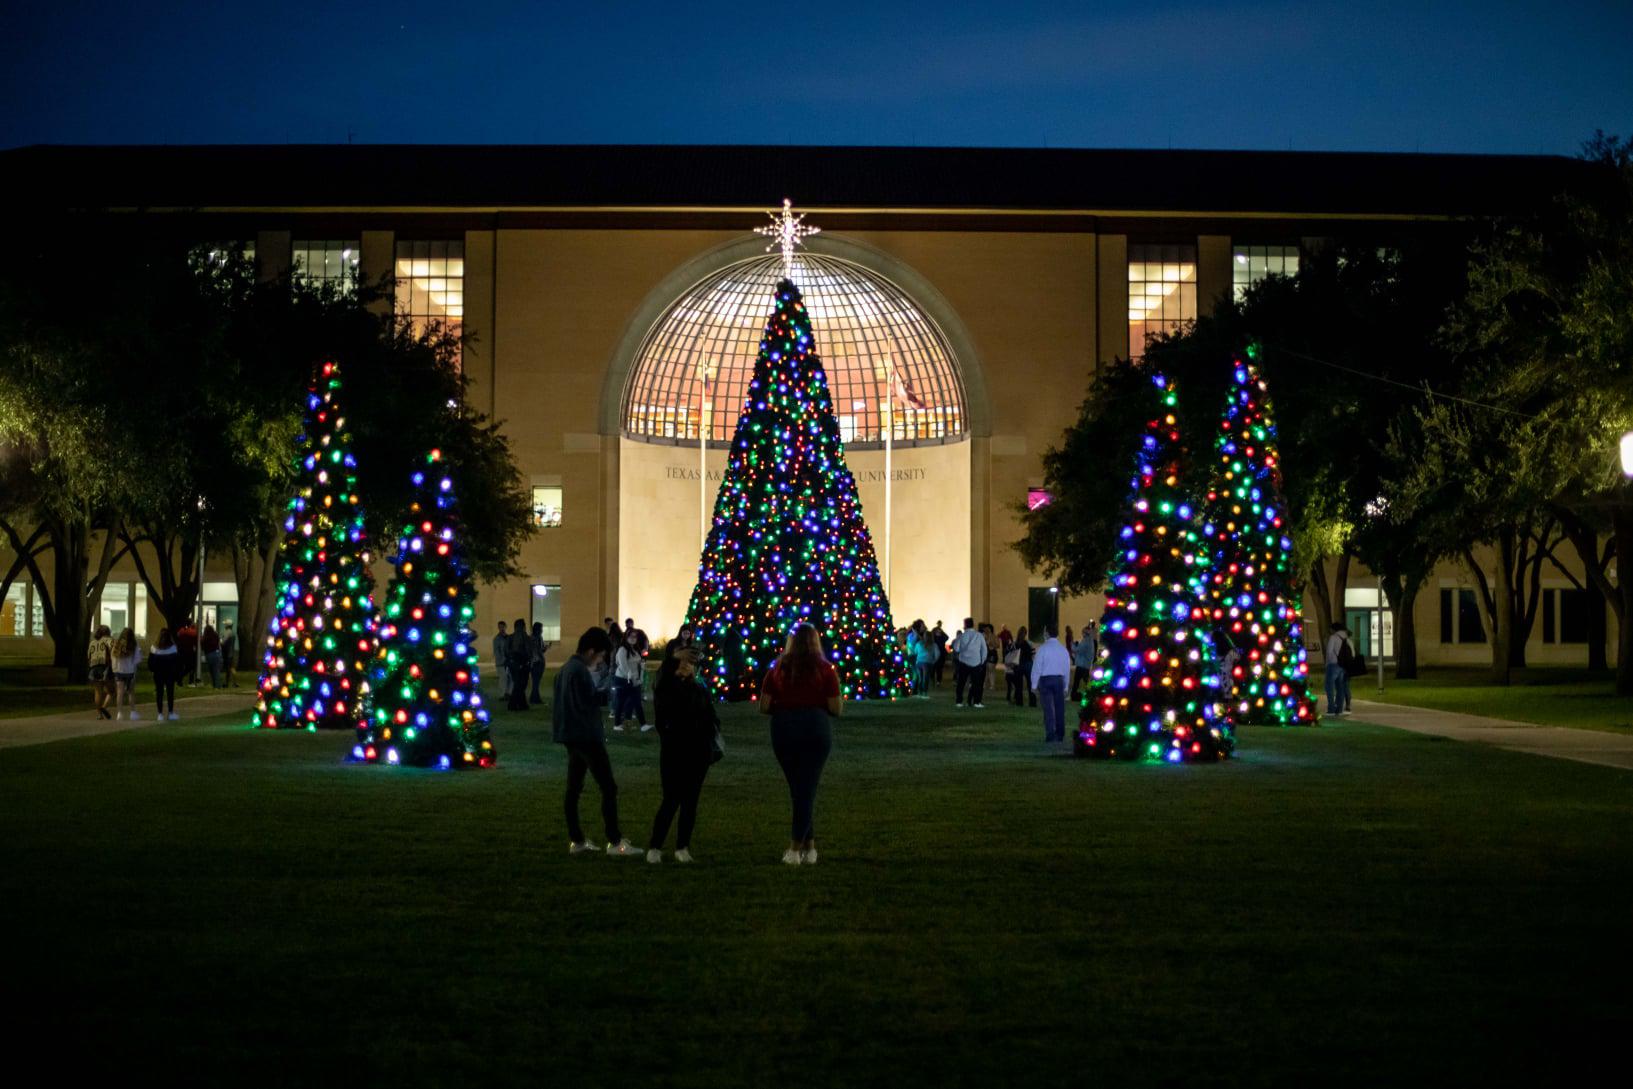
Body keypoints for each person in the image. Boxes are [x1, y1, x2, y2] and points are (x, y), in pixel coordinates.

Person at [553, 626, 641, 856]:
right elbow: (589, 700)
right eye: (601, 655)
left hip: (571, 736)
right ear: (592, 651)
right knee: (608, 787)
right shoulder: (579, 671)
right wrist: (607, 692)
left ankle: (578, 840)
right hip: (586, 737)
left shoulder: (565, 669)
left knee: (573, 789)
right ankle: (614, 841)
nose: (601, 660)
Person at [760, 622, 841, 865]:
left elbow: (764, 706)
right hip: (816, 728)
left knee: (799, 789)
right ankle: (802, 849)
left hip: (784, 728)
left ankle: (804, 849)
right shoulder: (826, 670)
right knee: (807, 789)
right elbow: (836, 708)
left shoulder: (778, 669)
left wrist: (786, 705)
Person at [646, 649, 718, 863]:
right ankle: (655, 847)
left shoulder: (699, 690)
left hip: (698, 752)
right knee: (671, 799)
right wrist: (674, 659)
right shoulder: (666, 689)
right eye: (683, 663)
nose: (687, 666)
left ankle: (682, 846)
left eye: (690, 663)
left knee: (690, 801)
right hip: (674, 751)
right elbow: (663, 683)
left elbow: (711, 717)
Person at [1031, 625, 1071, 745]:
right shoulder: (1063, 650)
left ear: (1047, 633)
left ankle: (1050, 734)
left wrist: (1034, 685)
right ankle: (1060, 733)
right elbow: (1066, 669)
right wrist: (1066, 686)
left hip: (1045, 680)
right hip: (1059, 680)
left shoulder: (1042, 649)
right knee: (1060, 708)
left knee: (1048, 709)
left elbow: (1037, 667)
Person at [612, 628, 648, 732]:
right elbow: (623, 666)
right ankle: (617, 724)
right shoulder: (622, 649)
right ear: (626, 637)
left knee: (635, 701)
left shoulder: (634, 649)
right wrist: (632, 678)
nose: (633, 638)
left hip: (633, 679)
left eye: (635, 637)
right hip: (623, 679)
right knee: (621, 702)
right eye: (631, 636)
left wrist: (641, 666)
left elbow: (637, 662)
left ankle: (642, 724)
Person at [949, 618, 988, 709]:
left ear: (965, 625)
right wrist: (982, 661)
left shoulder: (962, 636)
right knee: (976, 684)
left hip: (964, 662)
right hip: (976, 662)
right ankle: (976, 702)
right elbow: (984, 649)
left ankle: (959, 701)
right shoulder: (979, 635)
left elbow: (956, 648)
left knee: (961, 683)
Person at [111, 627, 143, 721]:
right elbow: (137, 660)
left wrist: (115, 670)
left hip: (119, 671)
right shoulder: (134, 645)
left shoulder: (116, 644)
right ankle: (133, 712)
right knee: (131, 692)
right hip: (130, 671)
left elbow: (113, 658)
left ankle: (119, 713)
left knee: (119, 693)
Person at [149, 628, 182, 720]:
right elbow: (177, 663)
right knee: (170, 693)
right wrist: (177, 675)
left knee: (159, 693)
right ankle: (170, 713)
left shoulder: (154, 648)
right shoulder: (173, 648)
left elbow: (150, 664)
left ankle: (160, 714)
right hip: (170, 674)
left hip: (158, 674)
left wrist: (153, 670)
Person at [1324, 622, 1353, 717]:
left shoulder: (1333, 637)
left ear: (1334, 629)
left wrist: (1328, 663)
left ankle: (1331, 709)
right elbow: (1353, 653)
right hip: (1343, 666)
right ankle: (1339, 709)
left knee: (1329, 687)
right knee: (1340, 687)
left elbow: (1329, 651)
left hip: (1333, 664)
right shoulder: (1347, 639)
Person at [87, 623, 114, 720]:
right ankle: (104, 707)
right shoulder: (108, 640)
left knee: (97, 691)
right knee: (111, 691)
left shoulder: (92, 642)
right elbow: (114, 651)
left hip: (94, 667)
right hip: (105, 667)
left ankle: (99, 714)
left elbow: (89, 656)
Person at [507, 617, 533, 712]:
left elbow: (507, 651)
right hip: (521, 663)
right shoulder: (524, 637)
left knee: (518, 684)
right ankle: (513, 704)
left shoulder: (511, 637)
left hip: (513, 663)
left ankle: (521, 704)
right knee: (521, 685)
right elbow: (528, 651)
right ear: (523, 626)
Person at [1006, 626, 1035, 707]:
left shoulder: (1015, 643)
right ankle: (1032, 702)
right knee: (1030, 685)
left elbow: (1009, 652)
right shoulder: (1029, 643)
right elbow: (1033, 653)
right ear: (1026, 633)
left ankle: (1019, 702)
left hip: (1018, 665)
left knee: (1019, 686)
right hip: (1028, 664)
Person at [1070, 622, 1098, 701]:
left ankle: (1075, 696)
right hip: (1086, 665)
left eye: (1083, 632)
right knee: (1085, 682)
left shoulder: (1086, 641)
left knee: (1077, 682)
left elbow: (1076, 650)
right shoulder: (1091, 641)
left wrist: (1072, 644)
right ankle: (1090, 696)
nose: (1082, 634)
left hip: (1082, 665)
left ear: (1085, 633)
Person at [908, 619, 935, 697]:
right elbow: (912, 645)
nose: (924, 626)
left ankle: (917, 691)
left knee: (919, 675)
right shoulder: (912, 635)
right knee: (916, 675)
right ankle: (914, 691)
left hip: (918, 657)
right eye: (922, 625)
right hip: (913, 656)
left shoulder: (920, 635)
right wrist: (917, 634)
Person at [528, 621, 549, 705]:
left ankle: (534, 697)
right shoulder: (536, 638)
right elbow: (539, 650)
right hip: (538, 662)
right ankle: (535, 698)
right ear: (537, 629)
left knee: (535, 681)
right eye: (541, 628)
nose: (542, 630)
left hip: (535, 662)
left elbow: (540, 650)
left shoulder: (533, 637)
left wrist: (545, 648)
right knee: (536, 681)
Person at [175, 621, 200, 686]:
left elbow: (178, 637)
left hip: (181, 651)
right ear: (191, 624)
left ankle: (179, 680)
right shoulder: (193, 632)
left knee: (181, 667)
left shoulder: (181, 631)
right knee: (191, 667)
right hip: (189, 652)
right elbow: (196, 641)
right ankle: (189, 681)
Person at [492, 621, 511, 699]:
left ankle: (508, 693)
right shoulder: (496, 639)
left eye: (502, 627)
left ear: (505, 627)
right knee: (503, 678)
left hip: (509, 661)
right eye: (500, 627)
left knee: (510, 678)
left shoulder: (508, 637)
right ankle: (502, 694)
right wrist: (501, 660)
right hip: (501, 662)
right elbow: (496, 651)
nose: (501, 628)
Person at [201, 623, 223, 689]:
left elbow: (202, 646)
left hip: (209, 655)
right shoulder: (215, 635)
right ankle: (217, 685)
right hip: (216, 653)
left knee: (211, 671)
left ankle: (215, 685)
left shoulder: (205, 637)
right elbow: (218, 642)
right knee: (216, 671)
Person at [930, 621, 949, 686]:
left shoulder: (936, 633)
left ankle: (937, 680)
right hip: (938, 652)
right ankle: (936, 680)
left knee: (937, 668)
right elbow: (947, 637)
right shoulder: (936, 634)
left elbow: (947, 637)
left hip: (938, 653)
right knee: (936, 668)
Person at [221, 621, 239, 688]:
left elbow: (223, 642)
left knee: (227, 669)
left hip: (227, 653)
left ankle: (226, 683)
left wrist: (220, 640)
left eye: (225, 624)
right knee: (232, 668)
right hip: (231, 652)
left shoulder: (227, 633)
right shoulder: (233, 633)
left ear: (227, 625)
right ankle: (235, 682)